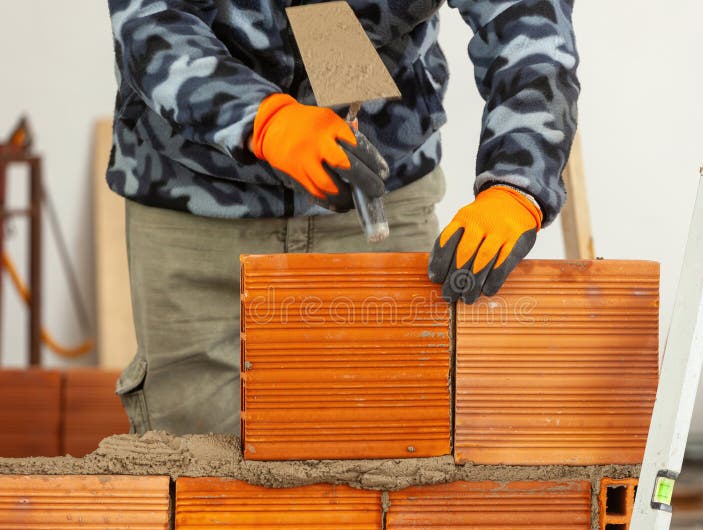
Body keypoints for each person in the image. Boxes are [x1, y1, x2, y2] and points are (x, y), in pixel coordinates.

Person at [106, 0, 579, 435]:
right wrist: (263, 119)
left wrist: (517, 186)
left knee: (396, 448)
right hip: (195, 198)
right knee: (197, 461)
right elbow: (154, 21)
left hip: (379, 184)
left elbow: (528, 24)